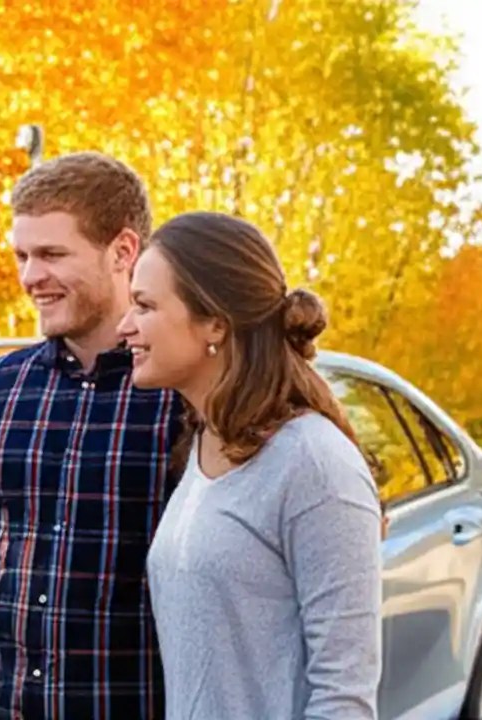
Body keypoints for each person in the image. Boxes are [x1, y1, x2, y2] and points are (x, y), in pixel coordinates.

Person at [0, 152, 184, 719]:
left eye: (51, 254)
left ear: (123, 251)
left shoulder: (182, 396)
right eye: (22, 255)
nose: (29, 277)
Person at [116, 211, 382, 719]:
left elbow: (344, 696)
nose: (124, 326)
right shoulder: (201, 445)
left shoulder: (313, 463)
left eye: (145, 306)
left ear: (215, 322)